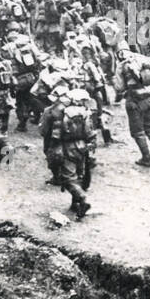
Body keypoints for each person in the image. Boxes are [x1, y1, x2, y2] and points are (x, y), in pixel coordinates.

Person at [40, 88, 97, 220]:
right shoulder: (85, 112)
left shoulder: (59, 112)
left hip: (66, 147)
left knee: (68, 177)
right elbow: (90, 132)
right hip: (82, 146)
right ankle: (75, 204)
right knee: (79, 175)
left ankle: (82, 199)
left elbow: (45, 132)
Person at [119, 49, 150, 166]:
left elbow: (119, 87)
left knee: (138, 132)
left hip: (134, 101)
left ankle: (146, 157)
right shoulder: (145, 60)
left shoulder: (123, 65)